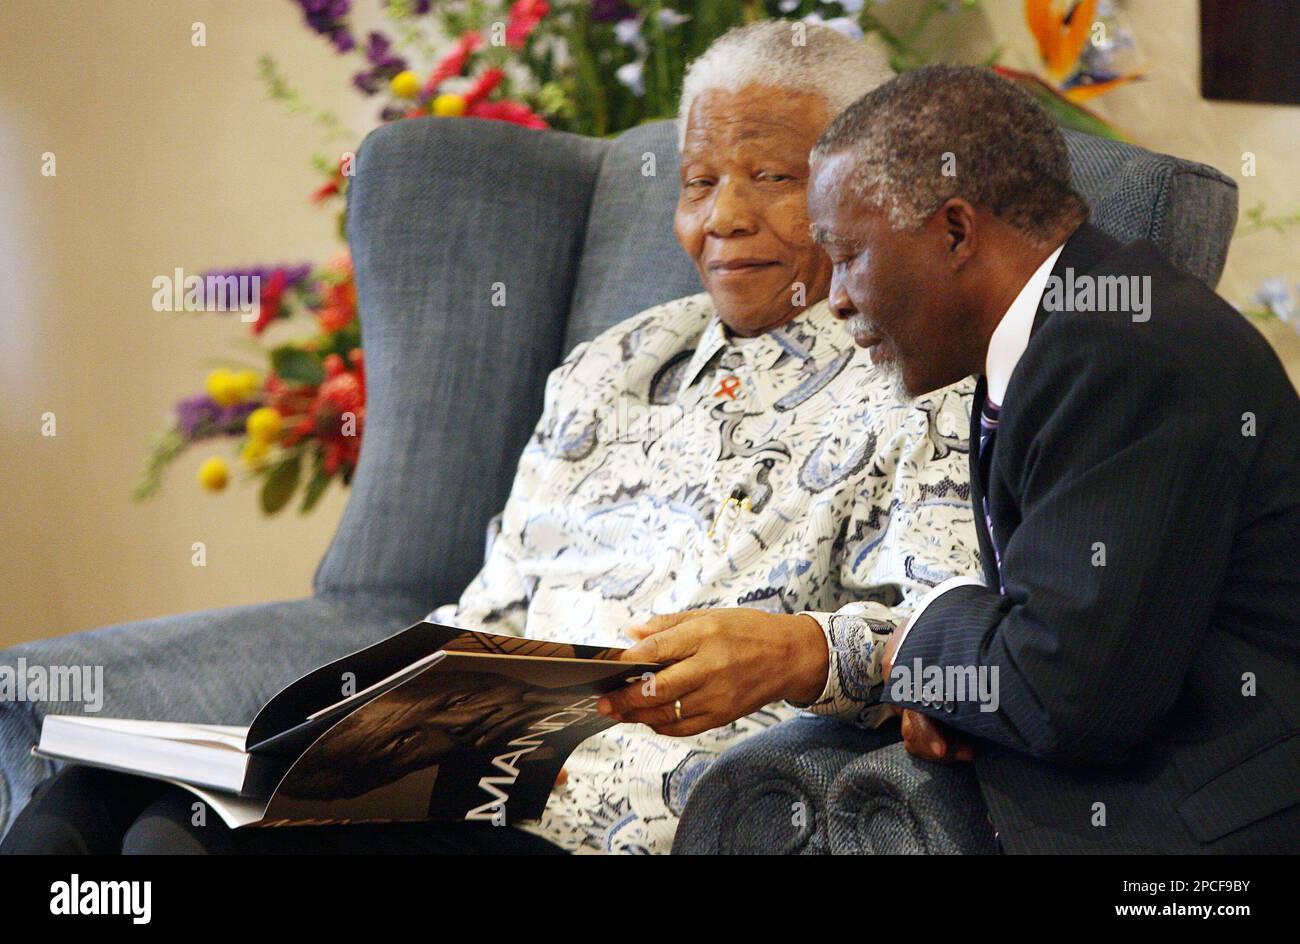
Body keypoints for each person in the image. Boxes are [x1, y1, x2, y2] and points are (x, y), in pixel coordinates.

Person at [1, 25, 979, 856]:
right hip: (459, 747)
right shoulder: (615, 360)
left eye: (771, 176)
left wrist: (804, 650)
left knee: (171, 842)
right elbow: (492, 600)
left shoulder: (924, 378)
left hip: (598, 803)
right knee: (91, 796)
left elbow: (963, 653)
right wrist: (356, 718)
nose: (722, 217)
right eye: (697, 180)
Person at [787, 64, 1297, 852]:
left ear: (955, 231)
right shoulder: (1066, 334)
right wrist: (962, 688)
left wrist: (910, 647)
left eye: (848, 254)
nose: (837, 298)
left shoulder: (1123, 353)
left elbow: (1062, 698)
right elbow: (1056, 635)